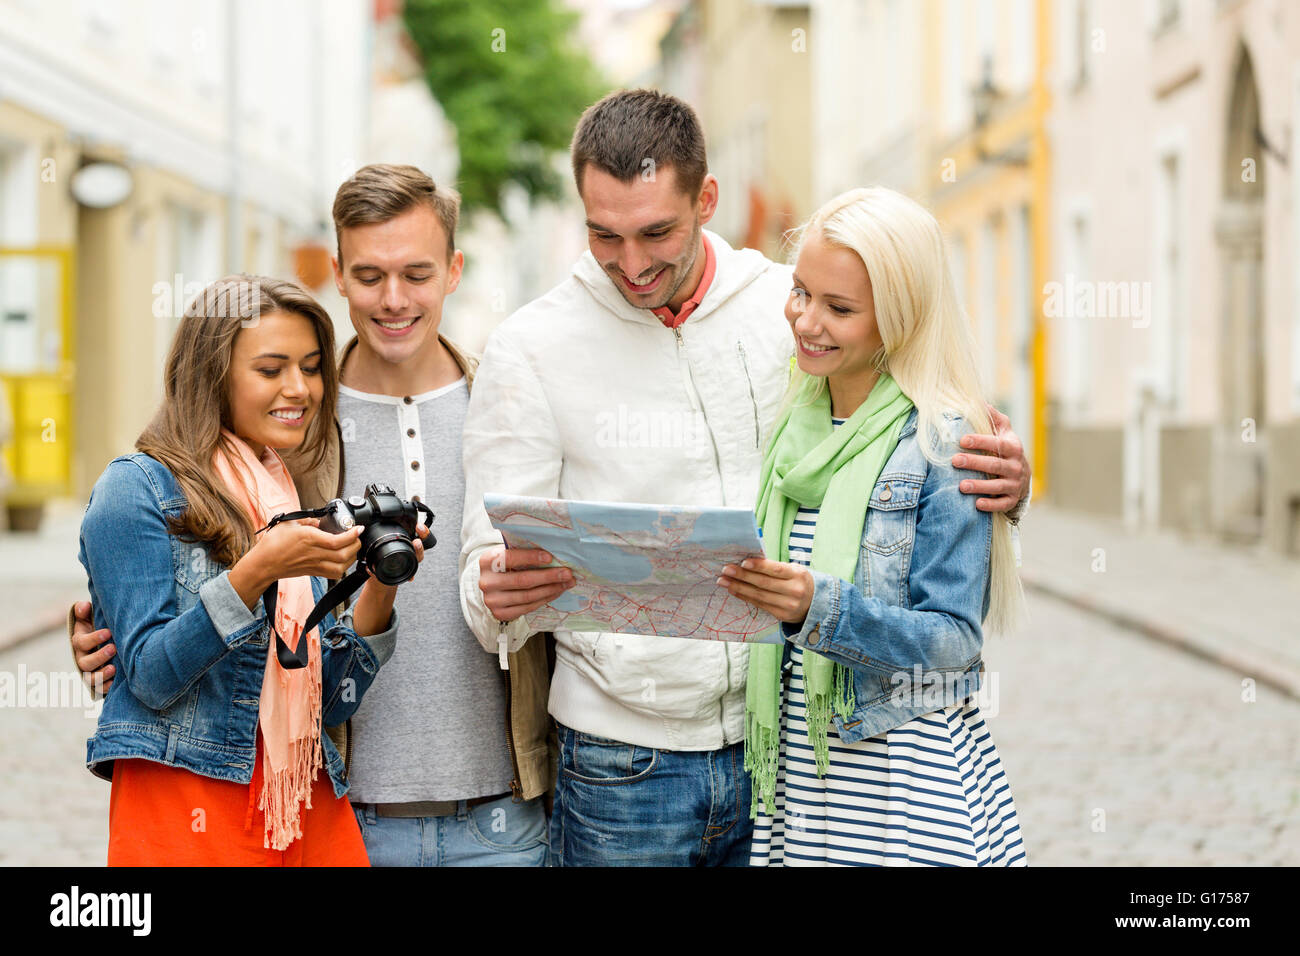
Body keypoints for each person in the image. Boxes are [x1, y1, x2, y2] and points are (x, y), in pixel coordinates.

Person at [459, 89, 1032, 866]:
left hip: (791, 758)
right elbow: (483, 566)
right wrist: (493, 589)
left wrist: (1005, 484)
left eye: (656, 232)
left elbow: (908, 418)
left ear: (707, 200)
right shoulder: (530, 346)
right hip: (626, 766)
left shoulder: (789, 305)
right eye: (604, 235)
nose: (631, 264)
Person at [72, 164, 553, 866]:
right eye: (369, 276)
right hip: (333, 807)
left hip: (498, 814)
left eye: (417, 274)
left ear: (454, 270)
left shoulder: (511, 405)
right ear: (338, 272)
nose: (394, 299)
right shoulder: (297, 445)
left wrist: (382, 579)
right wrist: (104, 628)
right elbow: (159, 611)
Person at [718, 187, 1028, 866]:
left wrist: (817, 608)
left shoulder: (945, 442)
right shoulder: (788, 421)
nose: (806, 320)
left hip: (903, 790)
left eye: (840, 308)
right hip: (803, 787)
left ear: (899, 320)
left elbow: (953, 642)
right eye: (801, 292)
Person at [80, 275, 413, 865]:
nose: (300, 388)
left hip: (302, 797)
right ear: (211, 376)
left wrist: (381, 584)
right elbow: (151, 677)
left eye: (312, 367)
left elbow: (329, 703)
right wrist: (253, 573)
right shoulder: (136, 489)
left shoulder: (290, 493)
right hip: (187, 799)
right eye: (271, 369)